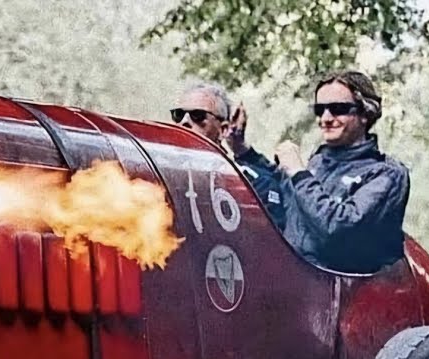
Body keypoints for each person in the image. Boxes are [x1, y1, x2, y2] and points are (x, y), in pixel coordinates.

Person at [270, 71, 410, 274]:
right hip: (293, 285)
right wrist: (243, 152)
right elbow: (276, 208)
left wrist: (299, 174)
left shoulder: (386, 174)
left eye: (338, 109)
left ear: (365, 114)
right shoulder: (317, 162)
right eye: (319, 110)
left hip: (348, 297)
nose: (325, 119)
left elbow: (338, 229)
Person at [171, 82, 287, 230]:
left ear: (223, 130)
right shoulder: (160, 174)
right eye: (178, 115)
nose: (184, 122)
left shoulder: (251, 183)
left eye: (197, 115)